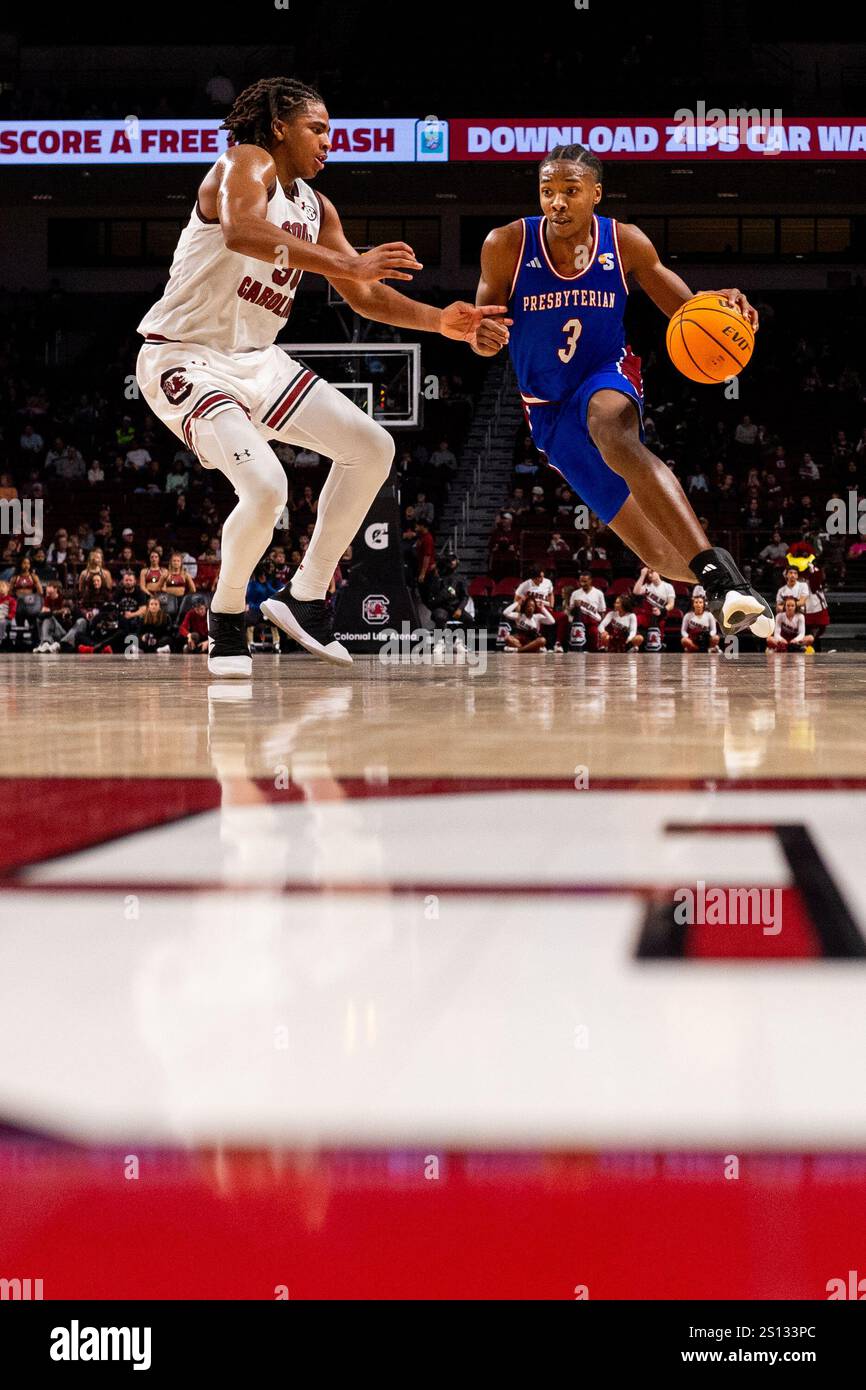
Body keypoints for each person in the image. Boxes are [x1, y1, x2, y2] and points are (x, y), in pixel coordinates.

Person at [135, 76, 505, 678]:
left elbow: (362, 294)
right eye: (318, 128)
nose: (329, 142)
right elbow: (242, 232)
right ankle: (226, 620)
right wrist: (345, 260)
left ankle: (305, 599)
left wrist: (445, 323)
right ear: (279, 126)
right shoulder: (243, 164)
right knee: (266, 486)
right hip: (186, 355)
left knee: (371, 446)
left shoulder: (315, 205)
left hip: (260, 358)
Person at [471, 143, 774, 641]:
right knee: (659, 555)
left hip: (606, 373)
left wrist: (720, 302)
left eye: (571, 191)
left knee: (612, 430)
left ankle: (720, 580)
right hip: (547, 408)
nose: (558, 202)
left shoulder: (625, 241)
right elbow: (486, 334)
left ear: (596, 194)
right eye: (548, 191)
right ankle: (736, 590)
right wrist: (480, 337)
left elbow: (686, 309)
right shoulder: (506, 244)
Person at [567, 571, 606, 651]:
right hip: (579, 622)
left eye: (585, 581)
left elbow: (602, 612)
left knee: (594, 635)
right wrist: (575, 607)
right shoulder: (575, 593)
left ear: (590, 580)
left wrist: (601, 626)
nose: (582, 583)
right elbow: (570, 612)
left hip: (593, 622)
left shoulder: (599, 593)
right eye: (581, 581)